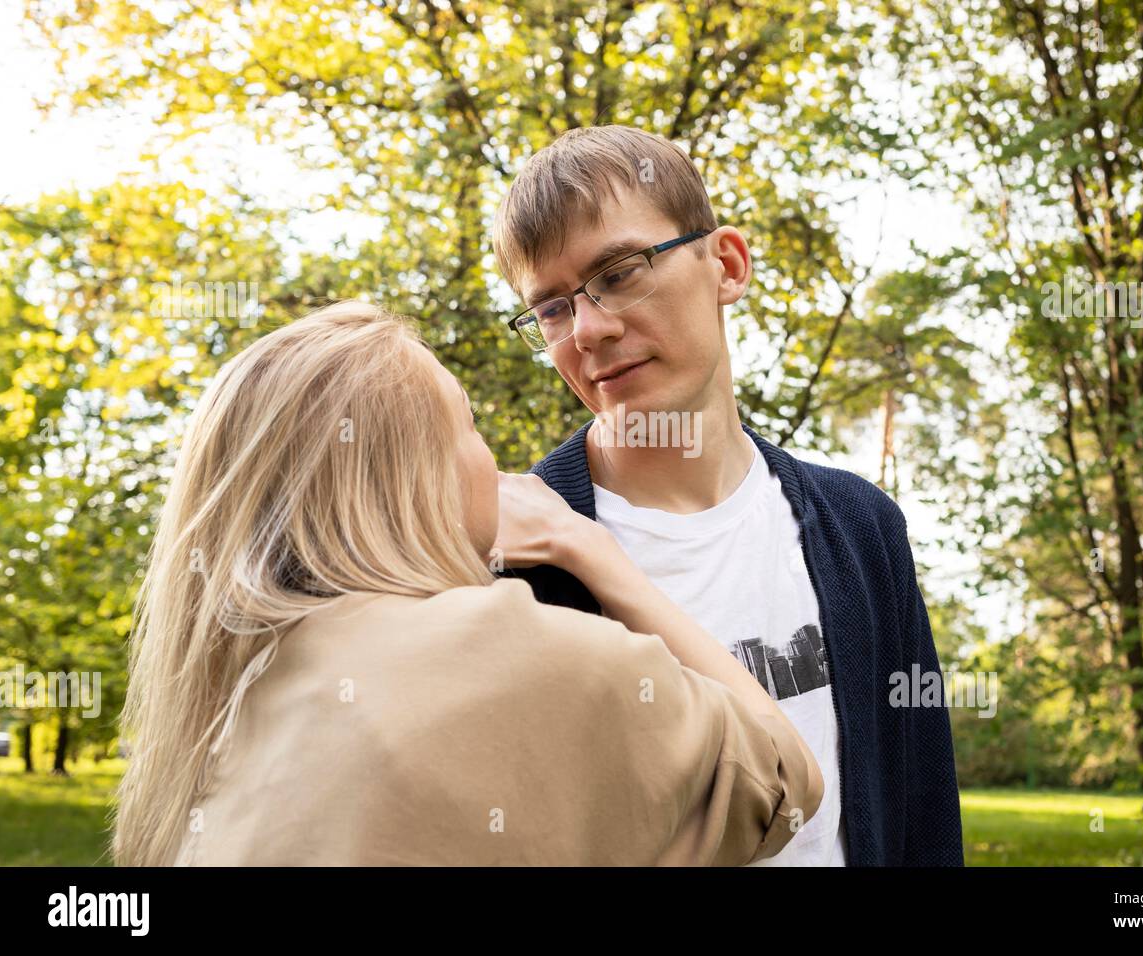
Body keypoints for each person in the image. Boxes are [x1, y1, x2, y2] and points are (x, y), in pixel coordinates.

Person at [110, 301, 823, 866]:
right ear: (417, 479)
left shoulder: (226, 694)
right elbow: (784, 778)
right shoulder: (508, 645)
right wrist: (595, 553)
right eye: (470, 426)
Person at [492, 125, 963, 866]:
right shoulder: (511, 562)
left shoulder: (862, 527)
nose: (587, 329)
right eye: (550, 308)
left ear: (728, 265)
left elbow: (923, 812)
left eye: (619, 272)